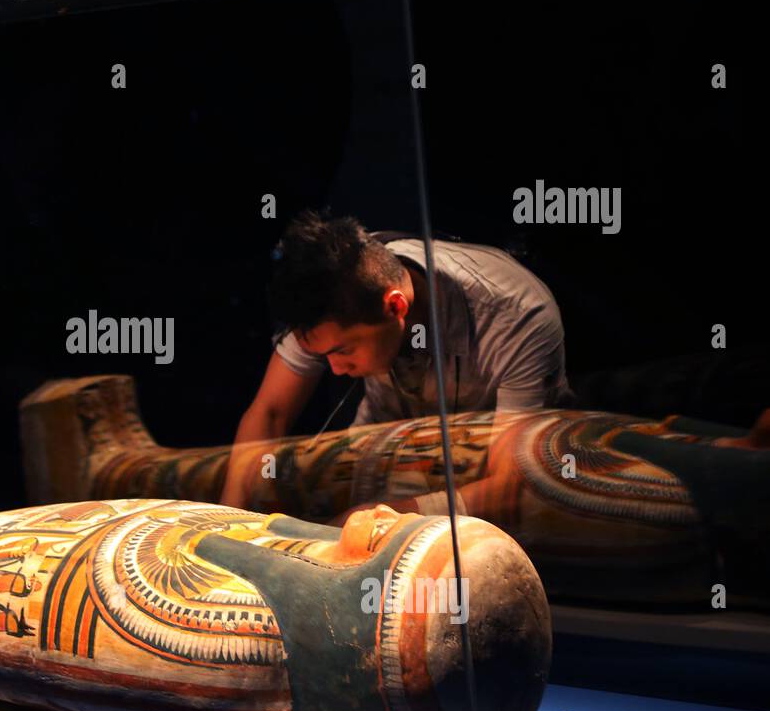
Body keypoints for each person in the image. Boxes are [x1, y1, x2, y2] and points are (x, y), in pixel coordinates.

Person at [220, 208, 572, 510]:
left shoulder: (517, 318)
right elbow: (270, 413)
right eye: (321, 355)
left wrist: (390, 517)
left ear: (395, 306)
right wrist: (228, 519)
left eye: (343, 352)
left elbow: (513, 486)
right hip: (391, 439)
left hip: (491, 470)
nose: (337, 370)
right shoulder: (330, 287)